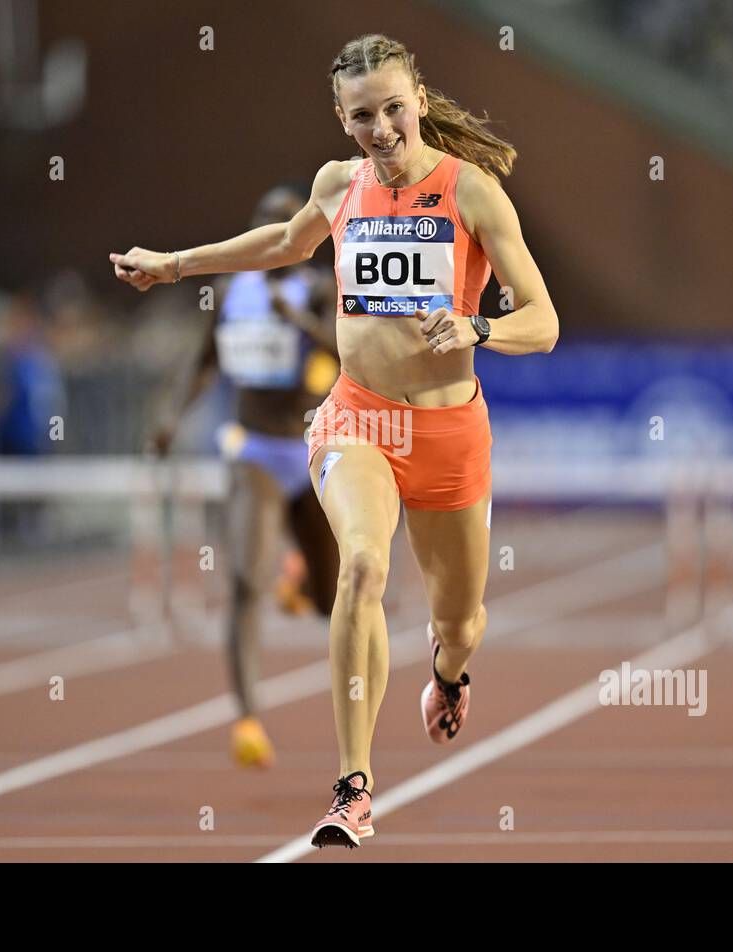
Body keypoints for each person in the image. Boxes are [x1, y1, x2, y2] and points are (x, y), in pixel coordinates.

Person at [110, 33, 558, 849]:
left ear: (418, 100)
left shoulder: (473, 194)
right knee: (361, 565)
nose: (381, 129)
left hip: (449, 429)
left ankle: (448, 677)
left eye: (393, 109)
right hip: (359, 418)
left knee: (460, 623)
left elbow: (545, 320)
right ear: (342, 119)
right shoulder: (338, 184)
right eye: (363, 116)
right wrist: (173, 266)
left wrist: (475, 323)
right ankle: (353, 787)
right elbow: (284, 244)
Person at [150, 181, 341, 769]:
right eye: (266, 224)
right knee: (242, 582)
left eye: (286, 225)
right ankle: (248, 718)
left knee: (335, 596)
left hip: (311, 447)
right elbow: (204, 362)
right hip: (253, 448)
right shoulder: (232, 290)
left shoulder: (322, 288)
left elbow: (346, 352)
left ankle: (301, 580)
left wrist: (301, 323)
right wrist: (171, 414)